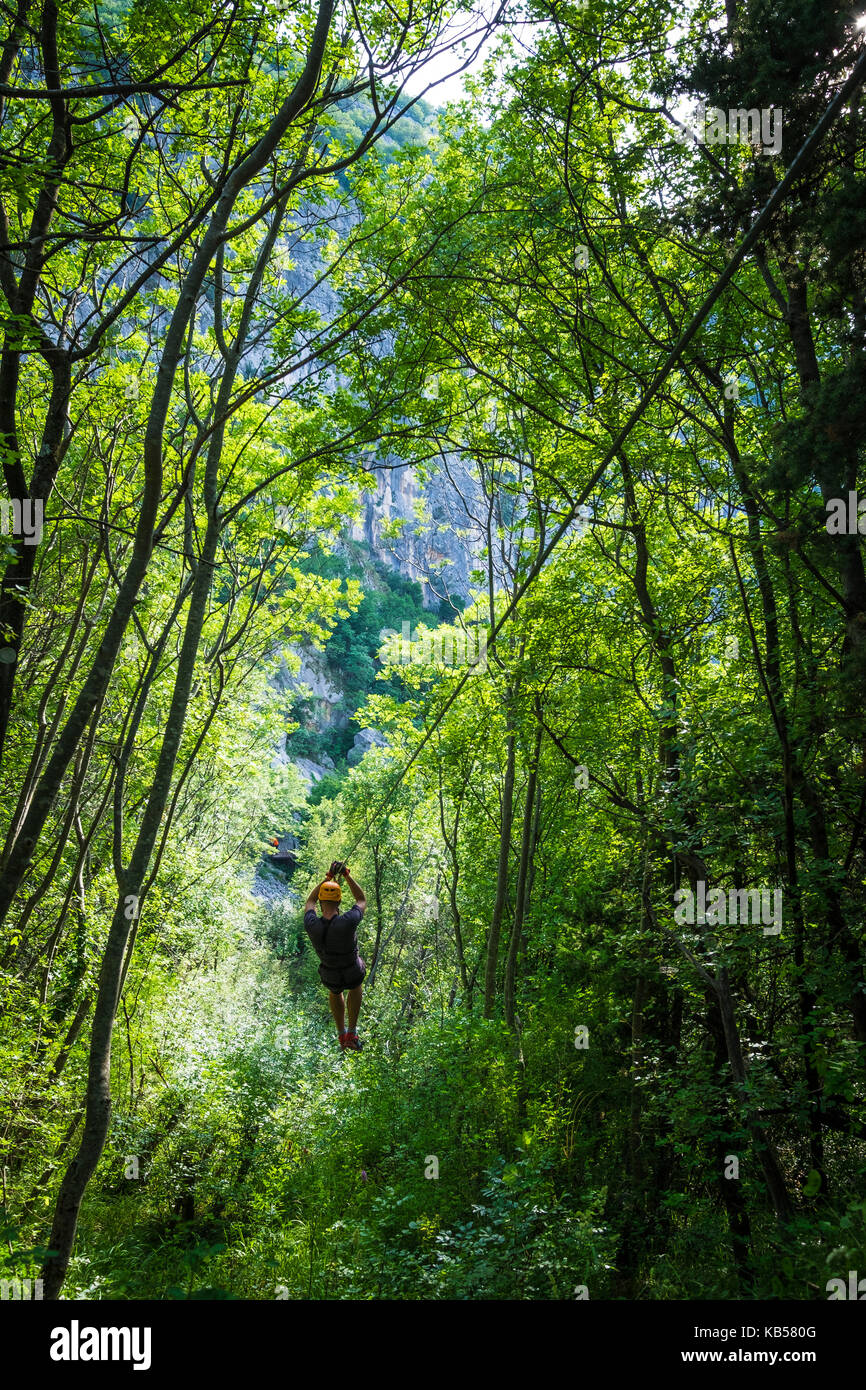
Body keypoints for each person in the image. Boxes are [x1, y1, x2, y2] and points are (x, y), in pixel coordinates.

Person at [303, 861, 367, 1051]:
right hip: (351, 969)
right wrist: (346, 875)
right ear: (339, 902)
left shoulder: (312, 924)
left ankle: (341, 1034)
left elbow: (309, 902)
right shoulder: (348, 921)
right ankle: (352, 1033)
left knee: (335, 991)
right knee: (355, 987)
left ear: (321, 903)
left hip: (329, 972)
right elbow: (361, 900)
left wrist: (327, 879)